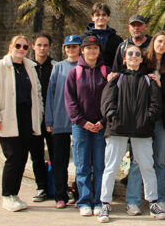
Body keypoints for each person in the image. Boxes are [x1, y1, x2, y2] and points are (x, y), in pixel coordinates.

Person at [97, 44, 165, 223]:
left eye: (137, 54)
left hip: (141, 130)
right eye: (130, 54)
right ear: (124, 58)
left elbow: (156, 103)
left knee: (147, 167)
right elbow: (107, 101)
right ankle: (105, 203)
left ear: (141, 59)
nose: (134, 56)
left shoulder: (148, 80)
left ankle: (152, 202)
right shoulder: (116, 78)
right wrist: (112, 115)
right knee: (111, 167)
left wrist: (149, 117)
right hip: (117, 129)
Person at [0, 35, 43, 212]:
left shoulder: (30, 67)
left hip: (26, 118)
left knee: (22, 157)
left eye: (24, 47)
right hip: (8, 118)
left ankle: (14, 195)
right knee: (13, 157)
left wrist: (38, 114)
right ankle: (7, 195)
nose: (21, 49)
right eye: (18, 45)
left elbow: (37, 92)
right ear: (10, 46)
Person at [125, 31, 165, 214]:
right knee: (138, 161)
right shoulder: (142, 62)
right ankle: (133, 200)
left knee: (159, 161)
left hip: (162, 120)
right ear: (153, 42)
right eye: (159, 41)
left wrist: (162, 87)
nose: (161, 45)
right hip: (143, 119)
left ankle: (159, 199)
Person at [64, 35, 110, 216]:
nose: (92, 51)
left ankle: (98, 200)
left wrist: (102, 121)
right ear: (82, 51)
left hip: (100, 126)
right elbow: (70, 101)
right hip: (81, 127)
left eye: (95, 48)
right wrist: (83, 122)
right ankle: (84, 200)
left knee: (100, 165)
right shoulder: (74, 73)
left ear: (99, 51)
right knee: (82, 165)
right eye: (88, 48)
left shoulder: (106, 71)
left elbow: (110, 99)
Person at [45, 34, 82, 208]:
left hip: (78, 122)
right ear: (64, 49)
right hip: (60, 121)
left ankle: (80, 194)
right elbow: (50, 95)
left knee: (81, 161)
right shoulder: (58, 67)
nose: (71, 49)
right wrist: (49, 119)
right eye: (69, 47)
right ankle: (60, 195)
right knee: (60, 161)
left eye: (75, 46)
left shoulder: (84, 67)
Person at [28, 32, 54, 202]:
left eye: (45, 45)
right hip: (33, 117)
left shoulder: (55, 66)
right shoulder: (27, 66)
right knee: (36, 155)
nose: (42, 48)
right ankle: (41, 187)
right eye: (39, 45)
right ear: (33, 46)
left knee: (56, 155)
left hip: (51, 119)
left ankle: (59, 188)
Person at [84, 3, 124, 69]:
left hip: (110, 76)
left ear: (108, 17)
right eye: (97, 15)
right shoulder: (83, 38)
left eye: (104, 15)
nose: (101, 17)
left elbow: (119, 61)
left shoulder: (117, 40)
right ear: (92, 18)